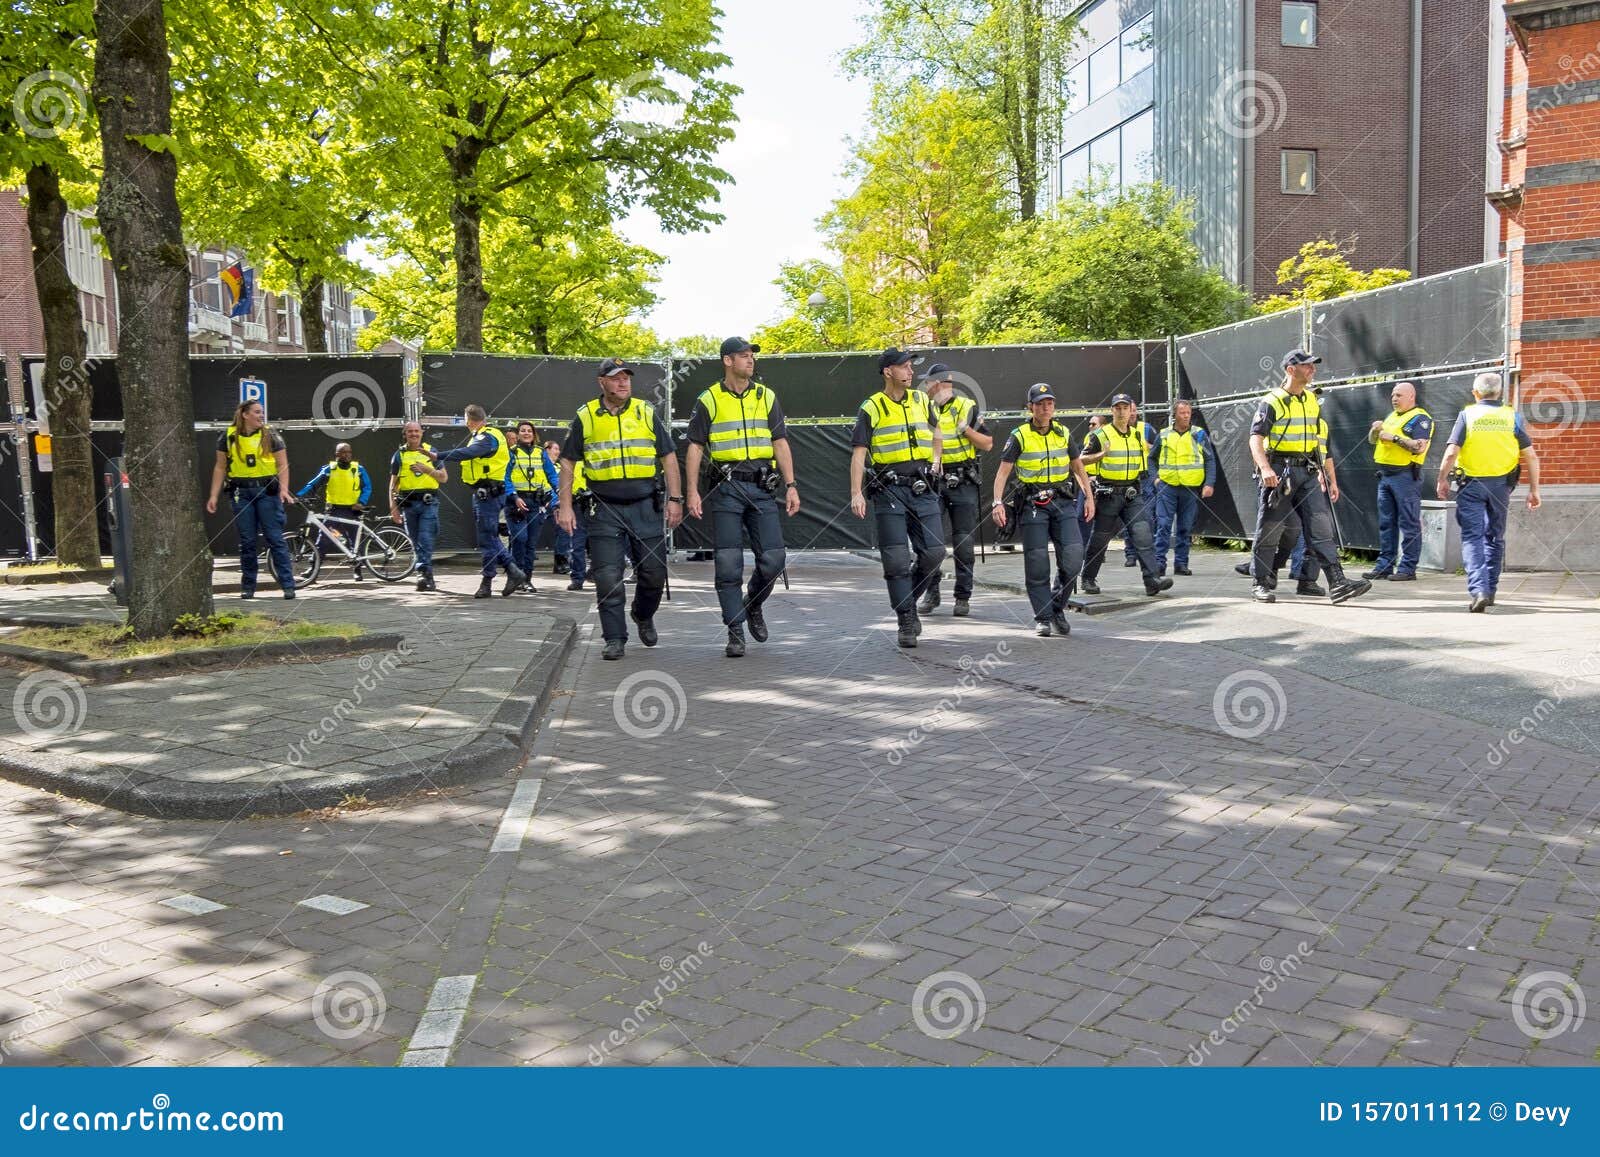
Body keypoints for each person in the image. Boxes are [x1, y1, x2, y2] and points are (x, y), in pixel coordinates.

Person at [557, 357, 684, 660]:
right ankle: (614, 637)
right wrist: (565, 507)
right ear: (601, 382)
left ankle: (642, 614)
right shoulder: (585, 416)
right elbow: (567, 462)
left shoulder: (645, 411)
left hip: (645, 505)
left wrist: (675, 499)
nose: (623, 382)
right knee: (608, 577)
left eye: (626, 377)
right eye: (615, 378)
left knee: (654, 573)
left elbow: (668, 457)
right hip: (604, 508)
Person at [685, 337, 800, 658]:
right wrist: (692, 490)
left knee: (773, 559)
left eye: (752, 357)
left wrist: (791, 485)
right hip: (726, 489)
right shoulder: (708, 399)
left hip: (763, 488)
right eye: (744, 356)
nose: (750, 361)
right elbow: (694, 447)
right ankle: (735, 630)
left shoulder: (767, 396)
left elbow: (780, 442)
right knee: (728, 563)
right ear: (727, 361)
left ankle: (754, 603)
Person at [1247, 350, 1369, 605]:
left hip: (1308, 471)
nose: (1312, 369)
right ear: (1290, 370)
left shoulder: (1312, 401)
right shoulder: (1272, 401)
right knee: (1270, 528)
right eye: (1306, 366)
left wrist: (1326, 475)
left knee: (1321, 527)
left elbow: (1317, 443)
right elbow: (1255, 438)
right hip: (1280, 472)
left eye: (1313, 365)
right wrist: (1266, 469)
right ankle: (1261, 582)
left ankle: (1338, 583)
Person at [850, 348, 945, 648]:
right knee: (896, 561)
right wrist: (856, 493)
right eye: (904, 367)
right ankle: (906, 618)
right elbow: (858, 454)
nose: (910, 371)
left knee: (934, 552)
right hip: (889, 490)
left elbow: (937, 431)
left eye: (911, 367)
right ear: (888, 371)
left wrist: (937, 460)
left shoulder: (921, 400)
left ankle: (908, 600)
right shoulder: (872, 407)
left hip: (922, 486)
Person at [991, 383, 1095, 636]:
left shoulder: (1063, 432)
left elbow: (1078, 467)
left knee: (1072, 559)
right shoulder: (1019, 435)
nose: (1045, 408)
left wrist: (1089, 497)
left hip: (1062, 501)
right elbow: (1003, 472)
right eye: (1040, 403)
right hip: (1032, 505)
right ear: (1031, 408)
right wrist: (997, 502)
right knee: (1037, 564)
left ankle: (1057, 606)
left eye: (1049, 403)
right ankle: (1043, 617)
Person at [1436, 371, 1541, 612]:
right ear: (1500, 393)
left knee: (1472, 537)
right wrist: (1534, 490)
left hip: (1470, 486)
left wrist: (1442, 479)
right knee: (1494, 537)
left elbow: (1451, 452)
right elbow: (1531, 456)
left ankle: (1479, 589)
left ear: (1475, 393)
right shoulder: (1512, 417)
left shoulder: (1467, 415)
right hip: (1501, 487)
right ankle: (1490, 590)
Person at [426, 404, 528, 598]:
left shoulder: (487, 437)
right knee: (489, 537)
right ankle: (505, 575)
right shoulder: (486, 435)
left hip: (489, 494)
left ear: (468, 419)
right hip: (485, 493)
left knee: (487, 538)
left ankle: (500, 576)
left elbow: (470, 453)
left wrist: (438, 455)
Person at [918, 363, 993, 618]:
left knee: (963, 542)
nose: (926, 387)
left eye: (928, 382)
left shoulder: (967, 406)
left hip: (962, 482)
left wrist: (966, 430)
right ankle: (932, 590)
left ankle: (963, 596)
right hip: (933, 481)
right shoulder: (924, 408)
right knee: (930, 542)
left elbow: (988, 443)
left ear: (938, 383)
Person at [1079, 394, 1171, 596]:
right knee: (1100, 539)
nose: (1121, 412)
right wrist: (1100, 456)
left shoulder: (1138, 435)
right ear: (1112, 411)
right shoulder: (1101, 435)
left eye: (1125, 408)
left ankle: (1152, 580)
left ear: (1131, 411)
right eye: (1117, 408)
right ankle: (1087, 578)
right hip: (1109, 494)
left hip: (1132, 493)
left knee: (1143, 535)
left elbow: (1145, 462)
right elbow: (1080, 460)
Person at [206, 399, 296, 599]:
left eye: (262, 412)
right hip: (241, 493)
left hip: (267, 492)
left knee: (275, 538)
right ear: (244, 414)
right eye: (257, 412)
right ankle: (248, 587)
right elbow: (220, 467)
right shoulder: (228, 436)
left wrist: (284, 489)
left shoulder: (270, 434)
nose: (261, 415)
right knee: (247, 541)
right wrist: (214, 494)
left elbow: (282, 464)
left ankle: (288, 585)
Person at [1364, 379, 1433, 582]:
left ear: (1411, 396)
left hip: (1405, 476)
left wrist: (1393, 437)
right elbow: (1373, 440)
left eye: (1399, 395)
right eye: (1393, 395)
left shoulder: (1420, 418)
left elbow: (1419, 446)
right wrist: (1376, 430)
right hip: (1385, 476)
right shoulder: (1392, 416)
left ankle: (1407, 568)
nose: (1394, 398)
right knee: (1387, 523)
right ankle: (1384, 566)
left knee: (1409, 522)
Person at [1151, 400, 1215, 577]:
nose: (1186, 416)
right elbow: (1151, 458)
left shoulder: (1199, 434)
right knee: (1163, 525)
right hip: (1167, 486)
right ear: (1174, 415)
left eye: (1188, 413)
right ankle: (1159, 563)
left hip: (1190, 487)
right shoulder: (1164, 435)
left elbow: (1209, 459)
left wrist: (1209, 483)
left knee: (1185, 527)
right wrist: (1155, 478)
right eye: (1182, 413)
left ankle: (1181, 564)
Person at [296, 442, 373, 580]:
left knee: (355, 541)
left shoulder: (359, 469)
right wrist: (300, 496)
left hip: (352, 511)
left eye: (349, 452)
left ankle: (357, 570)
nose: (347, 455)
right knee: (324, 540)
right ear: (337, 454)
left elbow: (367, 487)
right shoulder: (329, 469)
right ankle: (313, 569)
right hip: (334, 512)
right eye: (343, 452)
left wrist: (361, 502)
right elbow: (313, 484)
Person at [389, 421, 447, 592]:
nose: (414, 434)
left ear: (422, 433)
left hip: (428, 503)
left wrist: (425, 469)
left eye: (417, 431)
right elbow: (393, 484)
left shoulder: (431, 451)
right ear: (404, 434)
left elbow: (443, 478)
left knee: (425, 538)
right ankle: (428, 576)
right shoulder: (398, 455)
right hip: (408, 505)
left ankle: (421, 573)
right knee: (416, 542)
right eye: (410, 431)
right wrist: (393, 507)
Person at [507, 421, 557, 589]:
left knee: (531, 544)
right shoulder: (511, 453)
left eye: (529, 431)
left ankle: (526, 579)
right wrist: (514, 497)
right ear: (518, 434)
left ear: (534, 434)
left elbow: (552, 475)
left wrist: (557, 493)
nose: (526, 433)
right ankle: (517, 575)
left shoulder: (541, 453)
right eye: (523, 431)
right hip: (516, 504)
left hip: (536, 503)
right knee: (520, 539)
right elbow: (505, 478)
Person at [1122, 402, 1157, 568]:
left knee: (1148, 518)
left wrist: (1147, 446)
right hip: (1127, 479)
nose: (1133, 414)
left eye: (1135, 411)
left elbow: (1159, 449)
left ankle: (1148, 555)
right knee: (1130, 519)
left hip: (1146, 479)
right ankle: (1130, 554)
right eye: (1131, 411)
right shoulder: (1116, 430)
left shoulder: (1146, 428)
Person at [546, 439, 574, 575]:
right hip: (553, 503)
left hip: (560, 502)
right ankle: (560, 562)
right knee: (563, 532)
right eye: (554, 449)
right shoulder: (545, 467)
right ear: (547, 450)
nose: (557, 452)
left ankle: (562, 562)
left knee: (564, 532)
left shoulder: (557, 467)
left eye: (558, 449)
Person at [1077, 414, 1104, 547]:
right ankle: (1083, 549)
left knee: (1102, 519)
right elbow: (1079, 463)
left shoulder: (1107, 439)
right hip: (1087, 481)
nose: (1090, 426)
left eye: (1094, 424)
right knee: (1082, 516)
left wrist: (1097, 478)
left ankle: (1097, 550)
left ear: (1102, 426)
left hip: (1101, 482)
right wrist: (1084, 482)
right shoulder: (1088, 438)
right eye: (1089, 424)